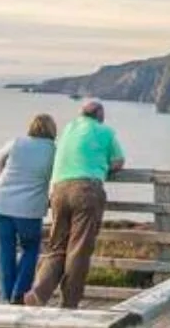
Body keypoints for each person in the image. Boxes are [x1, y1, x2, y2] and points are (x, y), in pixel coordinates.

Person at [26, 99, 124, 309]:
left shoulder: (68, 129)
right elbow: (118, 162)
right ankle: (69, 302)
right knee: (79, 249)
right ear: (99, 114)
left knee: (57, 247)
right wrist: (102, 167)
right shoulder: (105, 131)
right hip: (86, 190)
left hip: (59, 190)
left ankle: (39, 293)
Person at [0, 113, 57, 303]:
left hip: (0, 203)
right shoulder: (54, 150)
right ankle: (19, 294)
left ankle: (6, 295)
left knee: (5, 250)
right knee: (30, 248)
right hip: (28, 208)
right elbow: (56, 176)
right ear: (52, 130)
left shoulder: (16, 142)